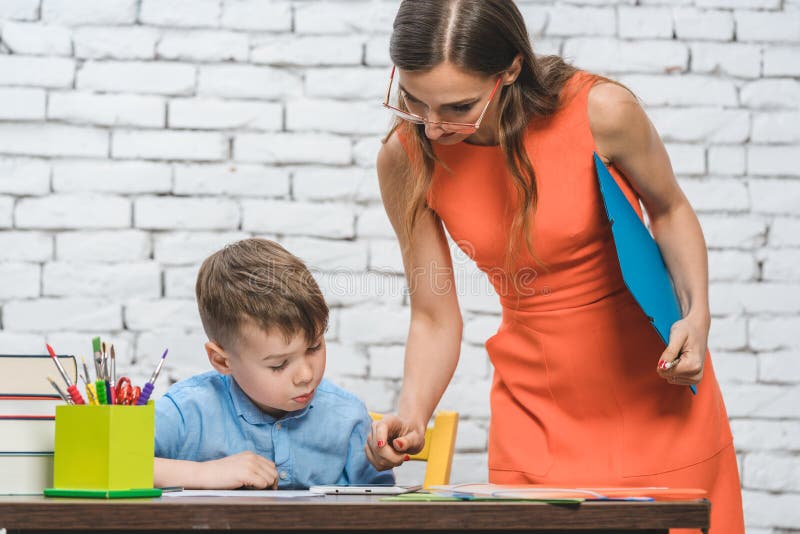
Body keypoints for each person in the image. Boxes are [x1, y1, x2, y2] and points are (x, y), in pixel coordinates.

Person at [365, 1, 744, 532]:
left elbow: (669, 208)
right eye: (413, 100)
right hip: (535, 409)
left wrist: (697, 317)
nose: (431, 127)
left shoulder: (602, 112)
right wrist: (412, 411)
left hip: (657, 392)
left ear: (511, 70)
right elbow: (433, 313)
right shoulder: (406, 157)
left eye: (457, 106)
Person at [154, 238, 394, 490]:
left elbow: (383, 508)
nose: (305, 375)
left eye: (314, 347)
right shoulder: (188, 412)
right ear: (222, 360)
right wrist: (203, 473)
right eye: (279, 364)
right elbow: (109, 461)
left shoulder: (348, 420)